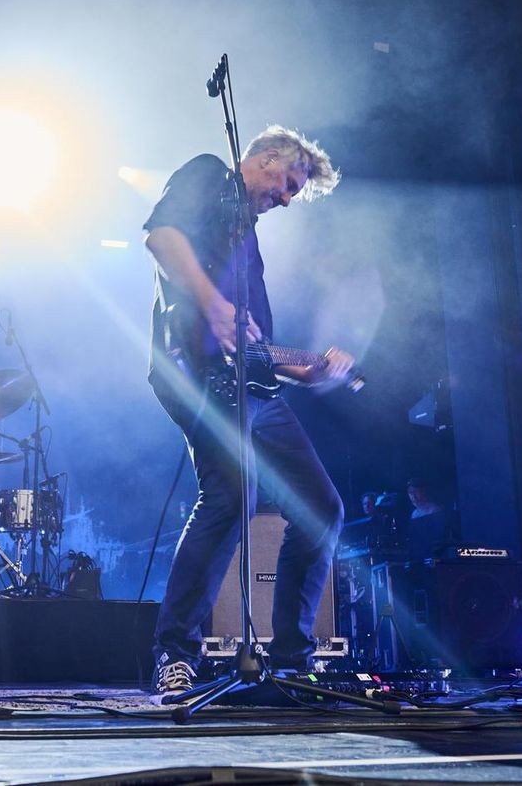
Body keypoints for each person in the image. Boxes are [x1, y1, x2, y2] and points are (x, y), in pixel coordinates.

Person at [144, 125, 356, 698]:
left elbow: (253, 348)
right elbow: (161, 236)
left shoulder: (249, 236)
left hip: (255, 390)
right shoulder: (209, 173)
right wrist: (212, 304)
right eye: (287, 183)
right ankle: (175, 653)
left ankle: (291, 659)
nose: (287, 199)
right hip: (197, 378)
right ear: (264, 159)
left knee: (322, 508)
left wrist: (309, 371)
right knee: (234, 493)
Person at [403, 477, 455, 562]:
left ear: (423, 492)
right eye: (410, 493)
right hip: (418, 557)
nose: (413, 496)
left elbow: (439, 539)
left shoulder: (434, 510)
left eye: (415, 492)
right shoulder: (414, 514)